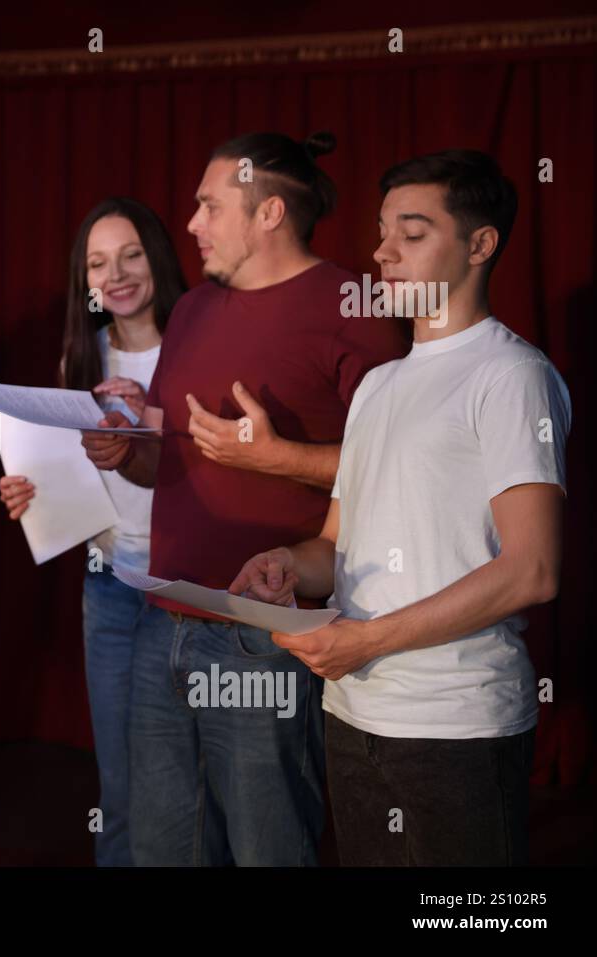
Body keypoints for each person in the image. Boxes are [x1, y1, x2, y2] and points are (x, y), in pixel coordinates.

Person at [229, 150, 568, 866]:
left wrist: (371, 639)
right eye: (382, 231)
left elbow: (532, 568)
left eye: (411, 234)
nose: (381, 251)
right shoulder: (379, 386)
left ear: (480, 244)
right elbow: (337, 543)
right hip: (353, 711)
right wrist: (287, 564)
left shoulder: (512, 375)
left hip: (457, 723)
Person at [81, 132, 409, 865]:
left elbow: (399, 476)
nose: (190, 224)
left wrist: (278, 457)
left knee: (269, 846)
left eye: (208, 206)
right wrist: (126, 450)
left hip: (264, 635)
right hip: (159, 619)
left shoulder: (353, 308)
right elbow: (164, 467)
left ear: (268, 213)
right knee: (162, 848)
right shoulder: (193, 309)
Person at [0, 197, 185, 866]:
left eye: (131, 254)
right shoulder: (84, 354)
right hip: (110, 588)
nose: (117, 275)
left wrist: (148, 421)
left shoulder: (201, 344)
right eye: (98, 263)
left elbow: (220, 466)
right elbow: (72, 478)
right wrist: (30, 489)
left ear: (159, 256)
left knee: (189, 778)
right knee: (120, 778)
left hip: (193, 590)